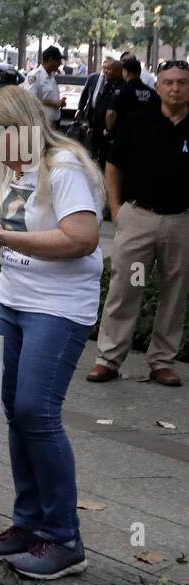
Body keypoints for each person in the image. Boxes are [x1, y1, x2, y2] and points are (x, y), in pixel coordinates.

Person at [0, 84, 105, 580]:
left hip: (59, 308)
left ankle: (65, 538)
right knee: (18, 413)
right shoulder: (18, 168)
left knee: (36, 413)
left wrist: (3, 236)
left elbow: (82, 240)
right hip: (15, 302)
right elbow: (27, 234)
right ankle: (29, 524)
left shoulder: (61, 167)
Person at [87, 60, 189, 388]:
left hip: (180, 224)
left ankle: (162, 361)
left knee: (174, 291)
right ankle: (110, 358)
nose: (175, 88)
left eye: (182, 82)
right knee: (130, 286)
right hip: (139, 222)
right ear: (157, 86)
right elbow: (113, 167)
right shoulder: (137, 122)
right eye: (168, 82)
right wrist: (117, 210)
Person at [105, 56, 159, 136]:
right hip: (146, 134)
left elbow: (111, 113)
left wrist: (108, 130)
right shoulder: (152, 93)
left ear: (125, 72)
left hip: (124, 134)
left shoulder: (121, 91)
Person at [25, 45, 64, 128]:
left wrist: (59, 103)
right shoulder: (35, 76)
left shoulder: (51, 77)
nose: (60, 63)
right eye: (58, 61)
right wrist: (54, 103)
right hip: (40, 124)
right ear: (50, 60)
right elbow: (30, 100)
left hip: (53, 124)